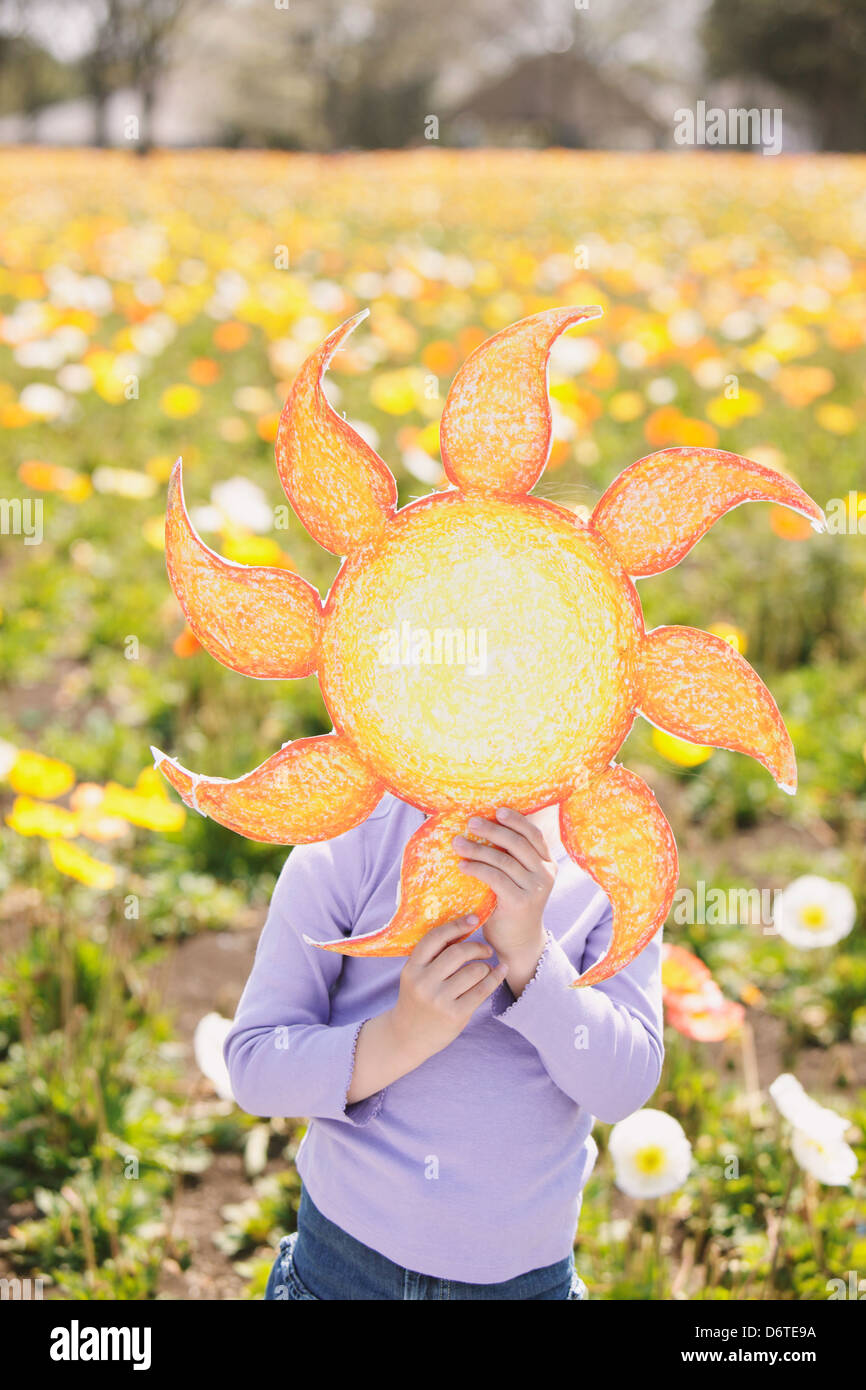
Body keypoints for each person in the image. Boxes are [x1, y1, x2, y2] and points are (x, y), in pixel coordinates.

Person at [224, 794, 664, 1300]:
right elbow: (256, 1065)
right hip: (342, 1270)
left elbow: (622, 1088)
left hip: (526, 1283)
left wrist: (530, 953)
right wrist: (402, 1036)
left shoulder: (616, 856)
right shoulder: (352, 833)